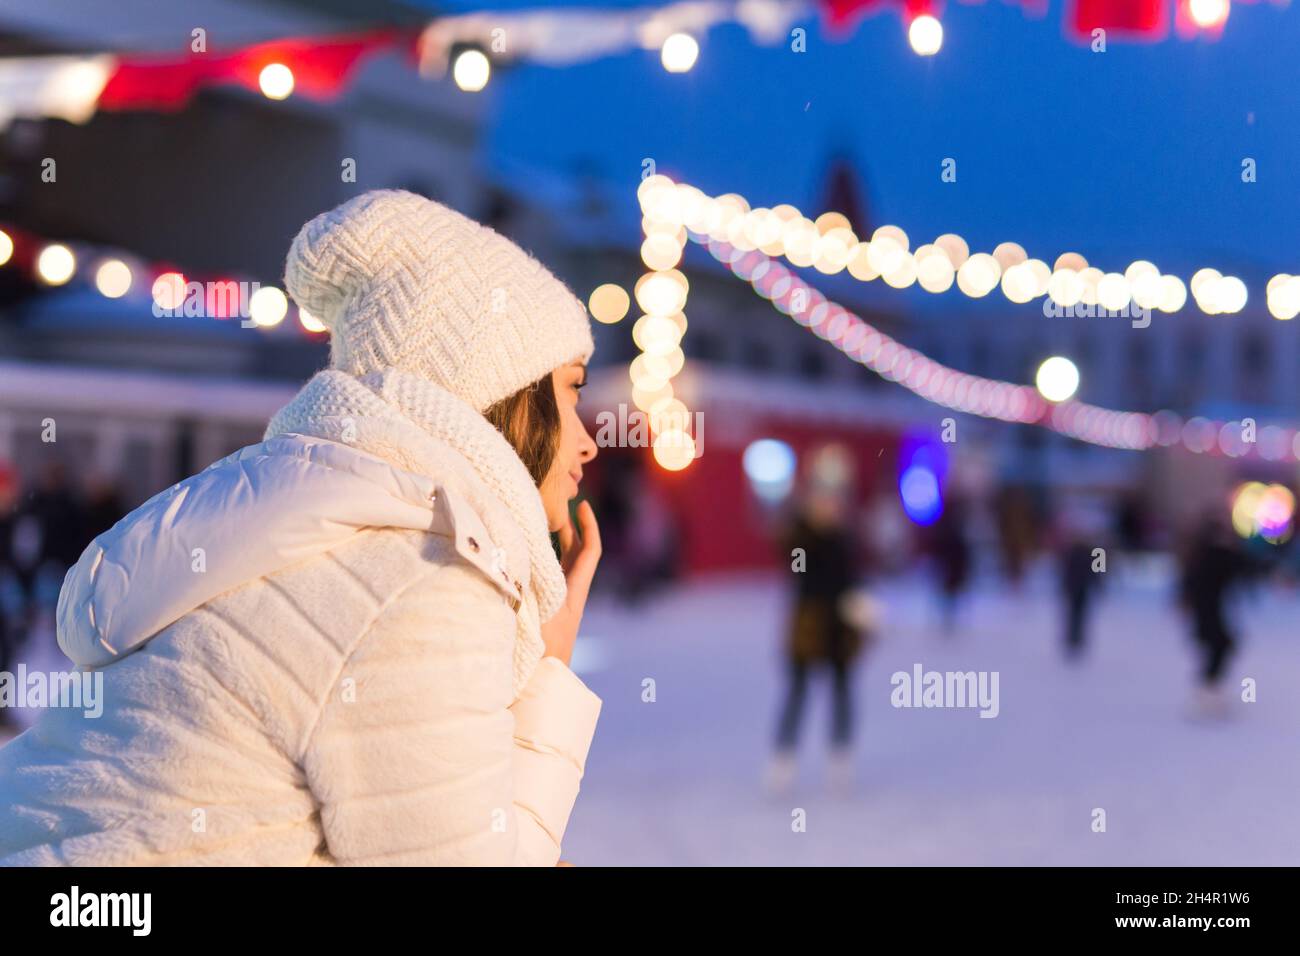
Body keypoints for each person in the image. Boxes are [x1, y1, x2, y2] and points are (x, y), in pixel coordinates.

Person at [0, 190, 603, 866]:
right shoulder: (418, 580)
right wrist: (548, 674)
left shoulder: (297, 528)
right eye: (572, 388)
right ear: (502, 394)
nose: (588, 441)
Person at [766, 448, 868, 795]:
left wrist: (859, 605)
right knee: (797, 694)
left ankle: (841, 762)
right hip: (808, 626)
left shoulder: (844, 536)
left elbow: (851, 577)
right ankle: (783, 763)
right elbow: (798, 571)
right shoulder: (800, 534)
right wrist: (807, 532)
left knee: (842, 694)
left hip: (840, 629)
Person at [1176, 512, 1255, 719]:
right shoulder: (1215, 553)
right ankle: (1208, 691)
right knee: (1221, 644)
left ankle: (1209, 689)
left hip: (1209, 608)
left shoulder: (1203, 553)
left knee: (1219, 645)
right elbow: (1239, 568)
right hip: (1209, 609)